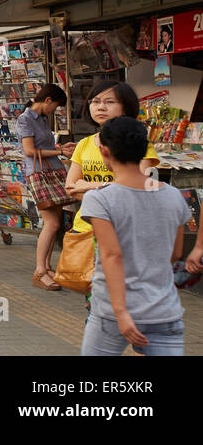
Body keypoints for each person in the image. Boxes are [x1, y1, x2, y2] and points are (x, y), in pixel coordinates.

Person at [80, 117, 191, 356]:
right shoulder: (173, 196)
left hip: (111, 313)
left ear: (104, 151)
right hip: (163, 310)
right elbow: (176, 253)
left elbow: (112, 255)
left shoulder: (100, 198)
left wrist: (122, 313)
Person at [65, 80, 158, 309]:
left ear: (125, 107)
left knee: (112, 301)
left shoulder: (140, 145)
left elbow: (141, 188)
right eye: (95, 102)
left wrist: (88, 186)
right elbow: (70, 188)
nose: (100, 107)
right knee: (95, 301)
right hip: (86, 230)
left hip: (123, 233)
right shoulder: (84, 144)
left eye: (109, 102)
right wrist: (109, 187)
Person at [16, 84, 74, 290]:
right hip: (39, 175)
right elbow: (30, 151)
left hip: (52, 172)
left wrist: (60, 149)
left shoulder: (41, 119)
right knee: (52, 224)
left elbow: (45, 146)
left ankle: (47, 266)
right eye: (56, 106)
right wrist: (59, 152)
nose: (55, 111)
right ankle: (40, 270)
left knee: (56, 222)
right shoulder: (25, 120)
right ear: (48, 100)